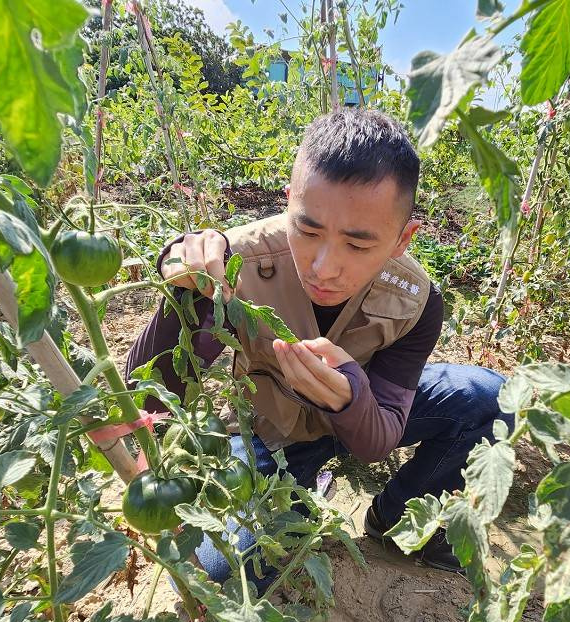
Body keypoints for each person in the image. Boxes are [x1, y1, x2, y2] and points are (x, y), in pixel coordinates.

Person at [124, 108, 512, 587]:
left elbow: (378, 438)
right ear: (288, 202)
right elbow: (147, 393)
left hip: (363, 409)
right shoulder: (234, 262)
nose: (324, 267)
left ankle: (396, 523)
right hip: (274, 432)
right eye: (307, 231)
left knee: (490, 399)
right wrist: (180, 282)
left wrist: (349, 398)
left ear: (401, 239)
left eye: (358, 244)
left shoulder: (417, 301)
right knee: (230, 575)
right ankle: (302, 482)